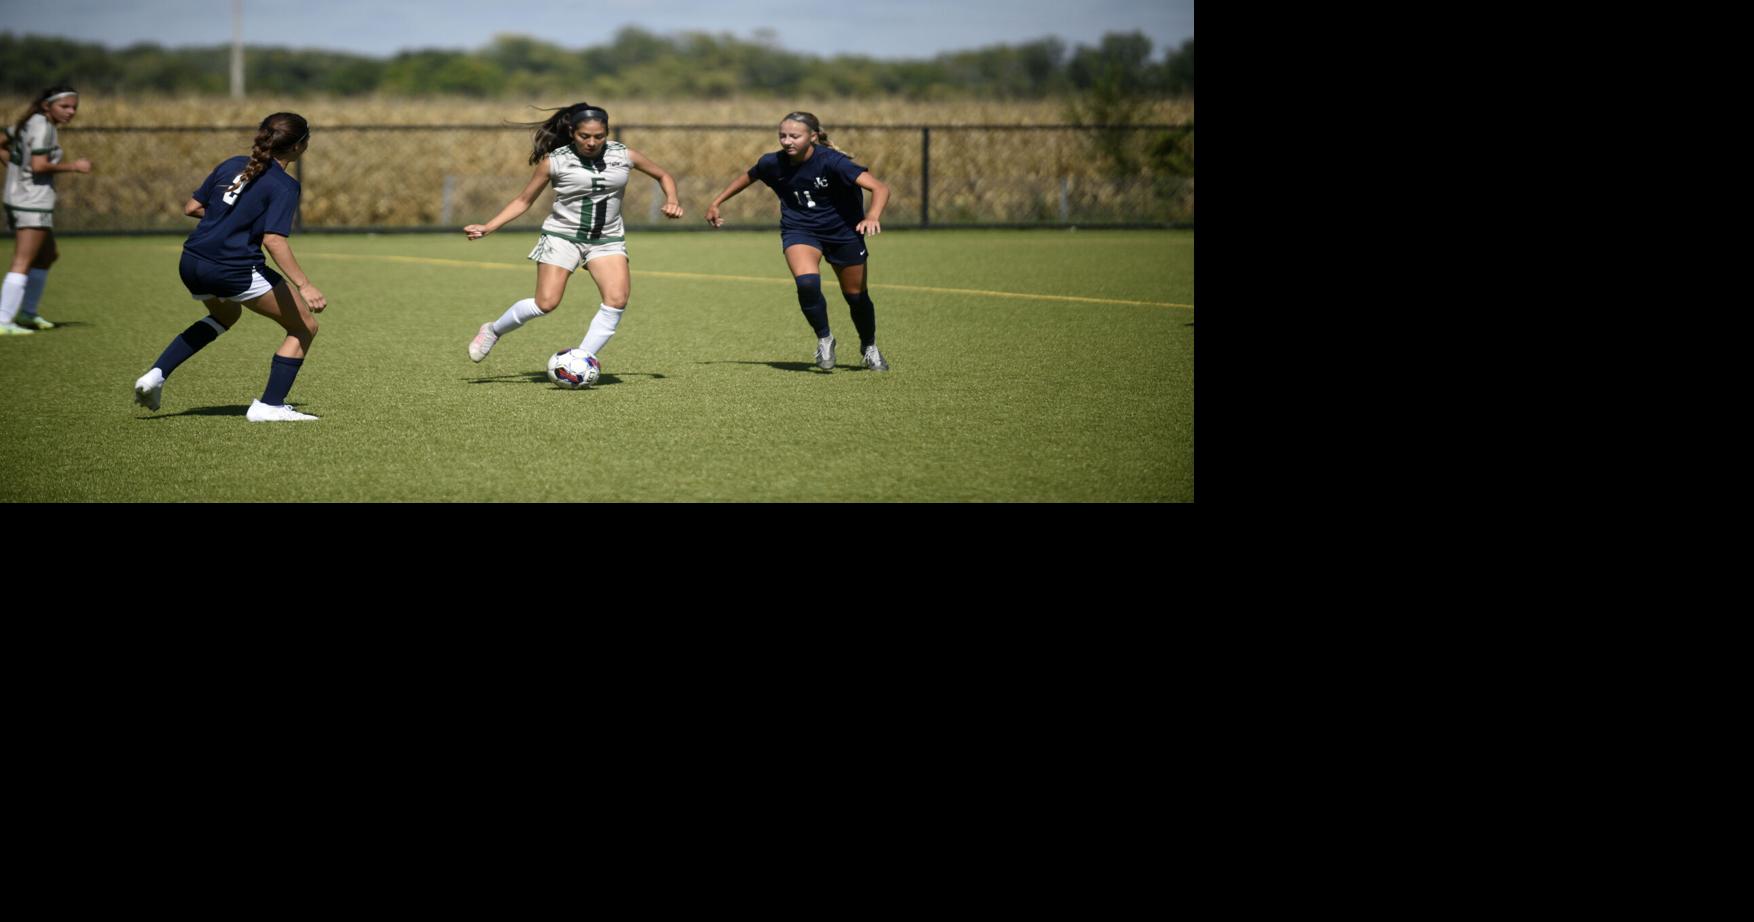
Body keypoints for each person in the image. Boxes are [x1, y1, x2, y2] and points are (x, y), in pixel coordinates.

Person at [132, 112, 329, 422]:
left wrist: (230, 220)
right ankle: (270, 406)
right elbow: (274, 240)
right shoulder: (285, 185)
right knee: (304, 327)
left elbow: (193, 207)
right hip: (231, 268)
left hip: (192, 262)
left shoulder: (232, 163)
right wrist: (305, 286)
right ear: (298, 146)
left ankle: (156, 374)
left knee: (225, 315)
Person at [464, 102, 682, 370]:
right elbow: (523, 200)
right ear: (572, 133)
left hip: (607, 238)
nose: (592, 142)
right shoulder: (554, 161)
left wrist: (672, 199)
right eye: (584, 136)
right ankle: (493, 330)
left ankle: (579, 361)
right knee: (546, 303)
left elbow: (663, 174)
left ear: (606, 133)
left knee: (617, 300)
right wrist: (489, 226)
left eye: (599, 136)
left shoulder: (624, 154)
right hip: (562, 237)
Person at [704, 111, 892, 372]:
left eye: (795, 136)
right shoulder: (773, 163)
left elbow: (880, 188)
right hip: (800, 230)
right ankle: (825, 338)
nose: (787, 141)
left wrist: (872, 216)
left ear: (812, 137)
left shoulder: (834, 162)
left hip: (844, 233)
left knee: (856, 297)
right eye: (782, 135)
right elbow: (749, 176)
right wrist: (716, 202)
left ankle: (869, 346)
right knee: (806, 283)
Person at [2, 85, 94, 335]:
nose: (71, 112)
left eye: (74, 107)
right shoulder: (43, 126)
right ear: (47, 106)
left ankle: (28, 313)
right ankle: (3, 321)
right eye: (64, 106)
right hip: (31, 201)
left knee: (47, 255)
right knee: (23, 261)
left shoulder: (30, 121)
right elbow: (40, 165)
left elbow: (4, 143)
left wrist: (15, 168)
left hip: (21, 197)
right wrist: (75, 166)